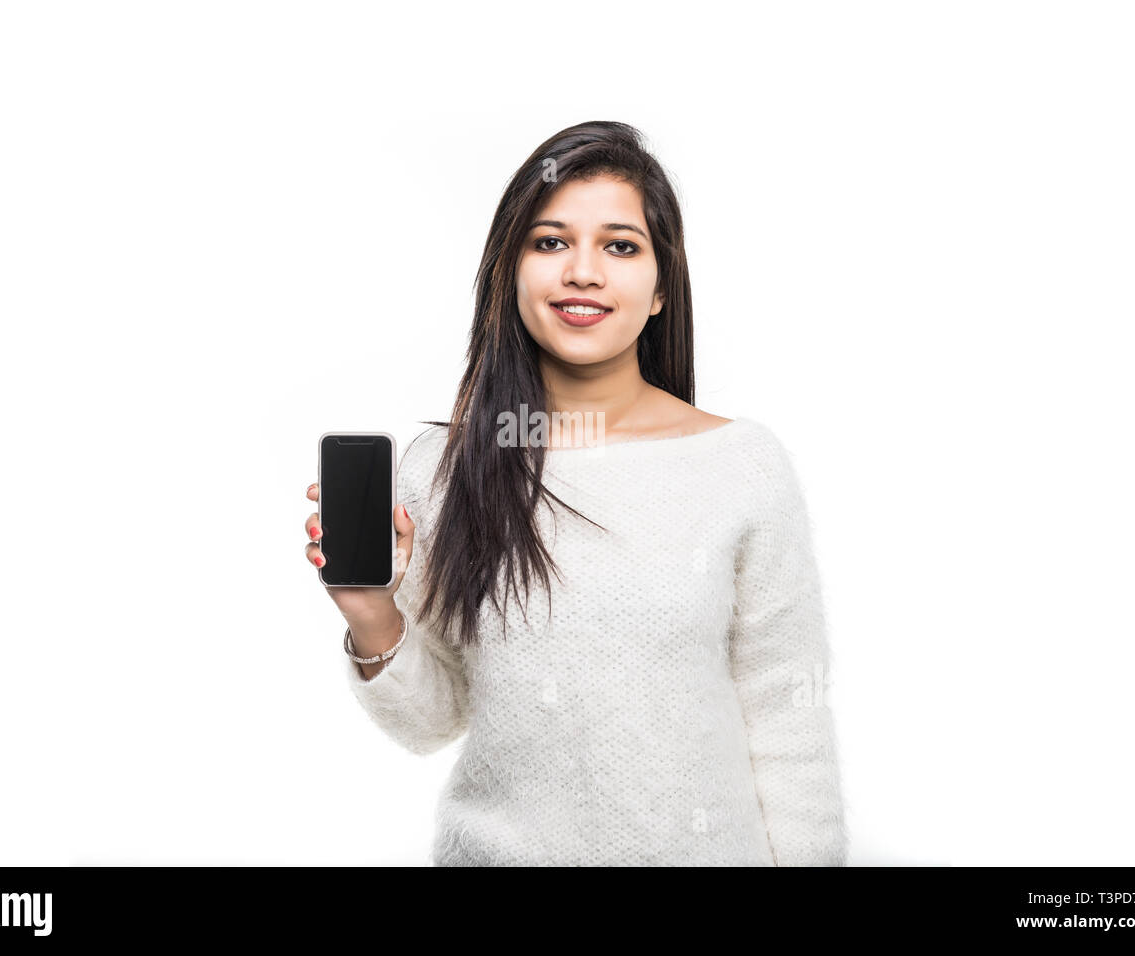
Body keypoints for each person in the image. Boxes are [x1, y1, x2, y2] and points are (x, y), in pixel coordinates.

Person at [303, 120, 849, 866]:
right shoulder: (444, 469)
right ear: (511, 271)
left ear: (661, 289)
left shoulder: (741, 465)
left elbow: (789, 722)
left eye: (620, 246)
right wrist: (372, 617)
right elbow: (433, 721)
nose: (582, 272)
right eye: (550, 242)